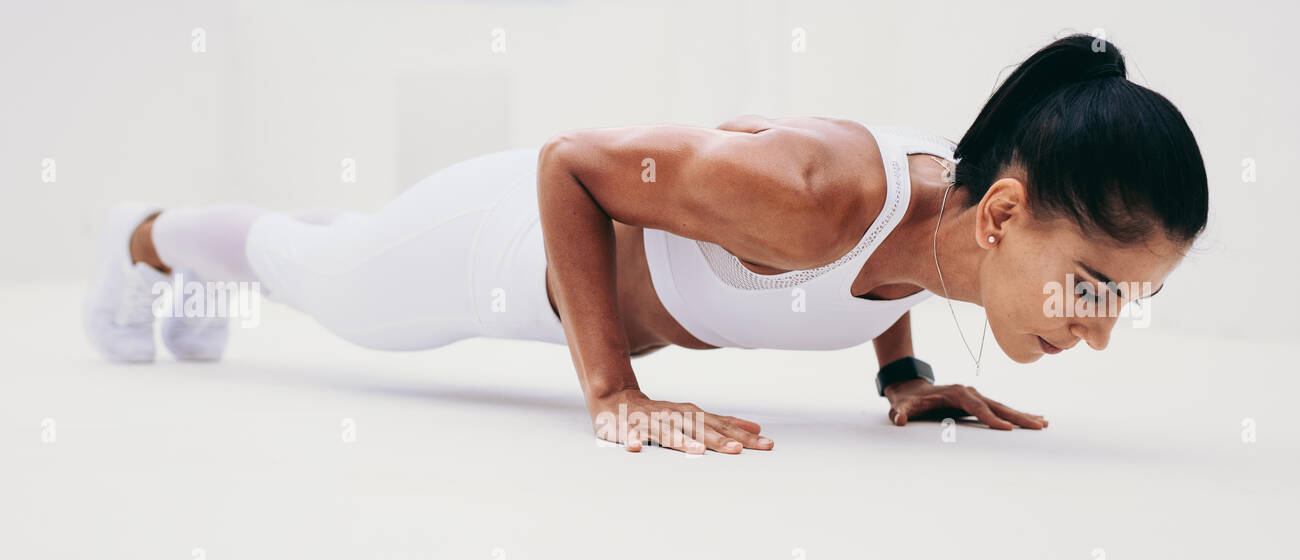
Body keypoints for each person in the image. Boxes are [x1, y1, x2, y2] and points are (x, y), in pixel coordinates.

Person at [83, 33, 1207, 454]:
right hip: (493, 252)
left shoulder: (949, 207)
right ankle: (147, 240)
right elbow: (570, 160)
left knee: (336, 253)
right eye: (1097, 291)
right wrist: (613, 393)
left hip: (514, 262)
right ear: (1005, 215)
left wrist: (903, 374)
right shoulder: (813, 191)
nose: (1099, 333)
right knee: (324, 280)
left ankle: (205, 261)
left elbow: (894, 262)